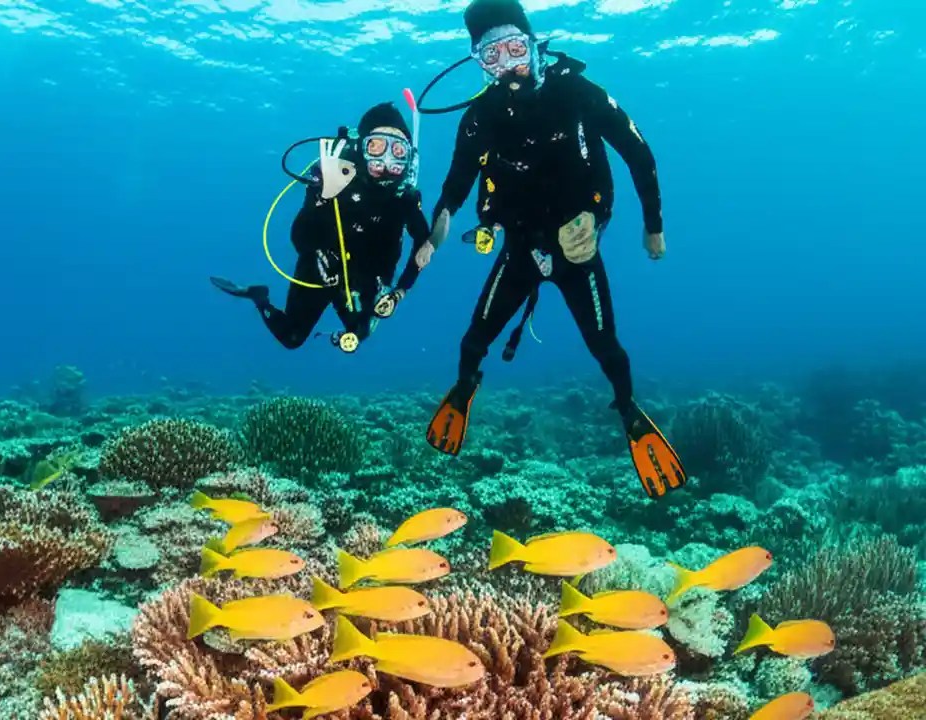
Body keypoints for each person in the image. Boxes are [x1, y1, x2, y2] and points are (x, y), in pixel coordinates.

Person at [419, 0, 688, 498]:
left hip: (578, 246)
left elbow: (638, 153)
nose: (508, 66)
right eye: (491, 56)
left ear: (534, 43)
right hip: (519, 246)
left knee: (606, 346)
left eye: (515, 48)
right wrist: (438, 228)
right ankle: (462, 390)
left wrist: (651, 227)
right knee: (473, 338)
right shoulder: (481, 117)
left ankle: (630, 412)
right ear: (480, 63)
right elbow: (455, 184)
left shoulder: (577, 92)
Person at [211, 102, 448, 353]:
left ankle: (339, 334)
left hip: (367, 273)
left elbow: (423, 248)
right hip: (320, 266)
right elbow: (299, 237)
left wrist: (399, 292)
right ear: (362, 146)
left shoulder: (405, 197)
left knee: (361, 333)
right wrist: (321, 197)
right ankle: (260, 297)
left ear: (409, 156)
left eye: (398, 149)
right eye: (377, 146)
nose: (386, 159)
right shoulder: (336, 175)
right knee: (292, 337)